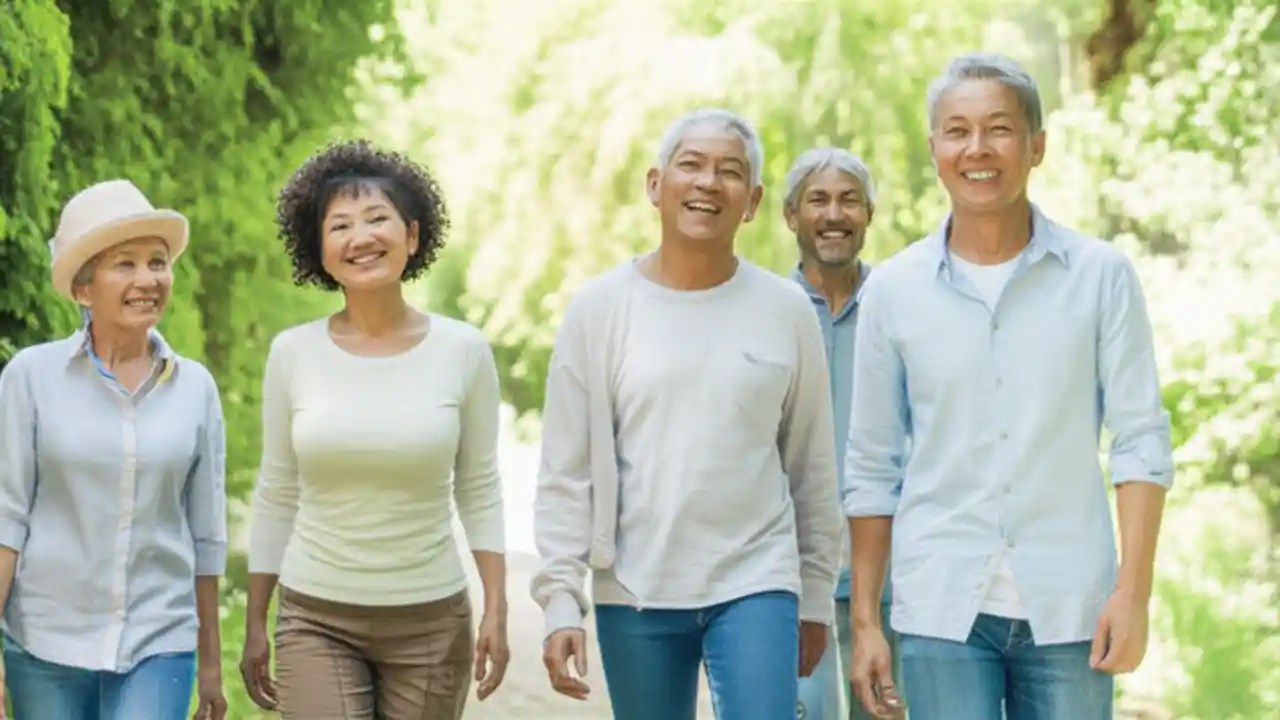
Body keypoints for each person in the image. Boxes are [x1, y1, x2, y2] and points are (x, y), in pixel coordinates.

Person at [845, 53, 1173, 719]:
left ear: (1037, 146)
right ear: (935, 147)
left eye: (998, 128)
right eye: (957, 130)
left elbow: (1141, 440)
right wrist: (866, 621)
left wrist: (1132, 594)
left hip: (1071, 608)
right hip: (940, 605)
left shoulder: (1101, 276)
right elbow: (872, 464)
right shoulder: (893, 291)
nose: (977, 149)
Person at [531, 108, 844, 720]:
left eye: (730, 172)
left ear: (752, 201)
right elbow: (565, 473)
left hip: (756, 580)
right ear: (656, 184)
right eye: (691, 165)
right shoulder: (598, 310)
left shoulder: (786, 311)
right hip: (636, 588)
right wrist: (561, 600)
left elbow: (812, 466)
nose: (708, 182)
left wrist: (812, 598)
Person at [239, 140, 509, 720]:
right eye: (340, 225)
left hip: (431, 622)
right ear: (321, 251)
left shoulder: (462, 351)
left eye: (377, 218)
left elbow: (480, 486)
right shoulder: (294, 353)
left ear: (412, 236)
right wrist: (255, 622)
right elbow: (278, 489)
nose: (361, 237)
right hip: (316, 616)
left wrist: (498, 607)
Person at [0, 179, 228, 720]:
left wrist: (212, 663)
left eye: (158, 262)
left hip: (159, 639)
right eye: (125, 264)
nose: (148, 279)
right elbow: (6, 520)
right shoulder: (30, 378)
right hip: (45, 642)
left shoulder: (195, 388)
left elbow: (206, 533)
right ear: (84, 288)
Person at [784, 148, 902, 720]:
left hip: (891, 578)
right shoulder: (766, 311)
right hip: (787, 573)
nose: (834, 214)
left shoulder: (901, 306)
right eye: (818, 200)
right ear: (790, 216)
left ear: (869, 214)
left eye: (849, 199)